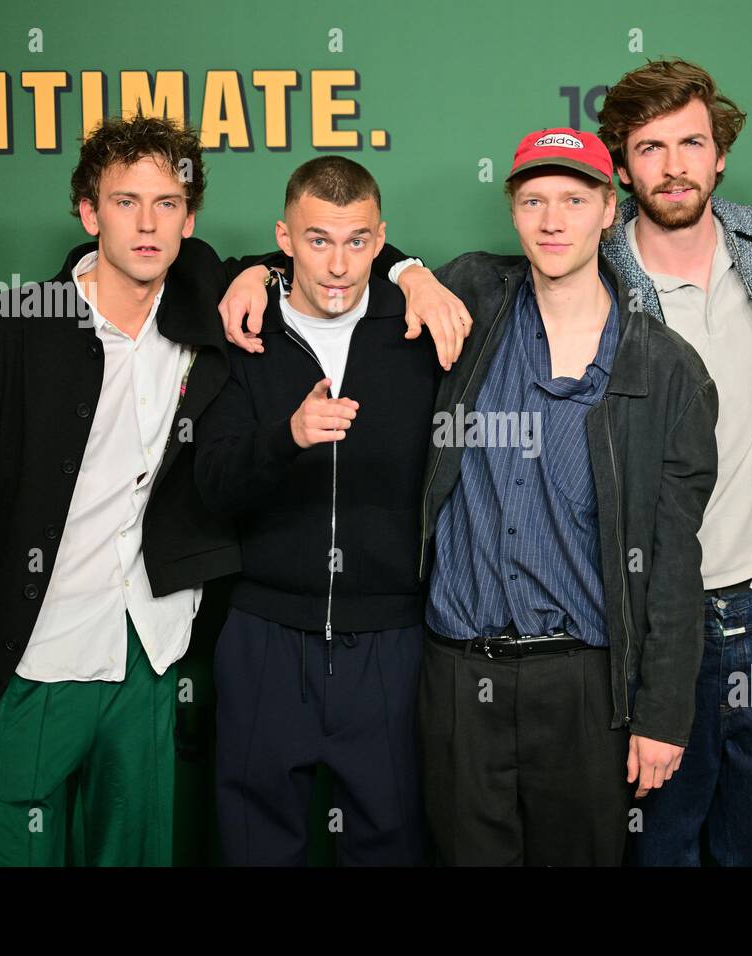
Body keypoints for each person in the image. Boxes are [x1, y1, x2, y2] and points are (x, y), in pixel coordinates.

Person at [0, 115, 241, 865]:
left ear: (188, 220)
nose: (148, 223)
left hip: (148, 657)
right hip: (36, 659)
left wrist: (407, 274)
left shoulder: (206, 307)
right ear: (88, 213)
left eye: (168, 204)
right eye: (124, 202)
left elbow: (324, 253)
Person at [414, 128, 717, 865]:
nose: (552, 220)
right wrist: (406, 275)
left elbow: (675, 560)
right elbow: (335, 262)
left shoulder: (667, 367)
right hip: (461, 675)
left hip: (585, 686)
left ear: (609, 210)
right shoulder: (470, 300)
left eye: (574, 200)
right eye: (534, 201)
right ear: (513, 213)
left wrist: (665, 714)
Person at [598, 58, 752, 866]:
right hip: (657, 624)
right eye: (650, 148)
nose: (674, 165)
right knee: (660, 854)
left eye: (691, 142)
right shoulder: (591, 269)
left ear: (719, 152)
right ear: (621, 164)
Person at [195, 157, 438, 865]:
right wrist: (287, 439)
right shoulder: (242, 334)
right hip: (264, 637)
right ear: (284, 241)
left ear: (383, 239)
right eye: (318, 240)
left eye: (358, 241)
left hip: (392, 643)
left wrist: (411, 272)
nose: (338, 264)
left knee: (392, 847)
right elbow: (210, 485)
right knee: (253, 848)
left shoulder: (419, 332)